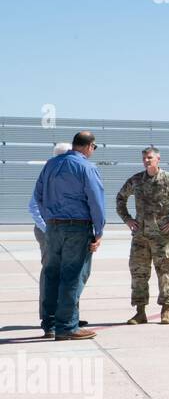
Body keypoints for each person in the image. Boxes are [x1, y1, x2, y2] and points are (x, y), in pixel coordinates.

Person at [32, 131, 105, 340]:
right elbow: (96, 202)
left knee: (51, 273)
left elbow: (38, 196)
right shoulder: (86, 167)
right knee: (72, 275)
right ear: (89, 146)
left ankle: (50, 324)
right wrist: (98, 231)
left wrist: (51, 220)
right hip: (77, 227)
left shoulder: (51, 165)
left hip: (53, 228)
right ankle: (68, 327)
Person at [116, 146, 169, 325]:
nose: (147, 160)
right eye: (144, 158)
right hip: (140, 237)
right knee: (139, 273)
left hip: (162, 237)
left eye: (150, 157)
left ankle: (166, 310)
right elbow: (120, 198)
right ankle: (140, 312)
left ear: (158, 159)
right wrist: (128, 219)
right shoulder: (136, 180)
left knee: (165, 272)